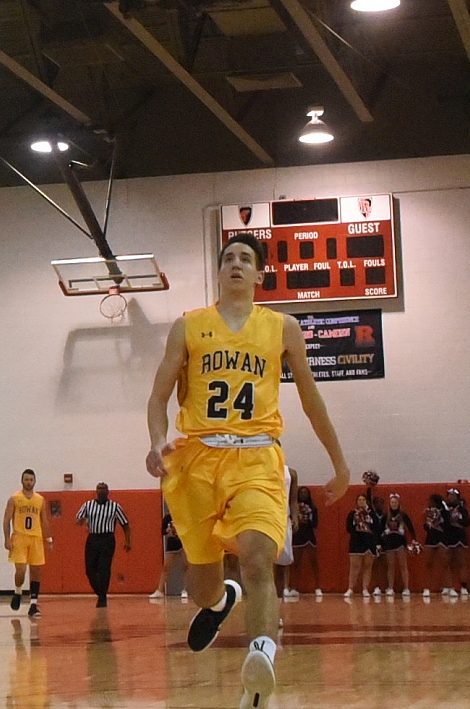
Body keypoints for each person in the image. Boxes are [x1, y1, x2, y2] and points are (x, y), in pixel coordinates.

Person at [145, 233, 350, 709]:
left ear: (260, 274)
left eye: (245, 259)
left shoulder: (281, 327)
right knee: (201, 587)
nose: (236, 264)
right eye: (228, 258)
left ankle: (261, 661)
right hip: (196, 461)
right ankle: (219, 602)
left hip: (257, 456)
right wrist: (157, 442)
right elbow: (157, 398)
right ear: (218, 273)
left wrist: (339, 462)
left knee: (258, 556)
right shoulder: (188, 326)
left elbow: (311, 399)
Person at [74, 483, 130, 607]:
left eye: (103, 489)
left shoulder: (115, 507)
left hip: (107, 539)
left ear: (108, 491)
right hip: (93, 538)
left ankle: (102, 598)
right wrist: (81, 520)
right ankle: (100, 593)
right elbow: (78, 520)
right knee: (89, 569)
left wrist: (127, 541)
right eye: (99, 489)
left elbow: (125, 524)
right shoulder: (88, 505)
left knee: (104, 569)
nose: (101, 492)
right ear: (96, 491)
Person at [4, 469, 49, 617]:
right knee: (21, 571)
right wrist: (6, 539)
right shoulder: (14, 498)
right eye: (26, 479)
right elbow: (6, 520)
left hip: (36, 538)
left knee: (36, 572)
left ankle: (33, 605)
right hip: (20, 537)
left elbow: (45, 520)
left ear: (34, 481)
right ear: (22, 481)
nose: (29, 482)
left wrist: (48, 539)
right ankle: (17, 592)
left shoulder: (40, 500)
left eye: (31, 479)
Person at [441, 487, 470, 597]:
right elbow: (441, 523)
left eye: (453, 496)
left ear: (457, 498)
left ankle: (464, 587)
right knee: (446, 563)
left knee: (461, 563)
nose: (451, 498)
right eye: (449, 495)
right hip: (447, 537)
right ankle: (448, 586)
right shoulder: (444, 509)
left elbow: (467, 522)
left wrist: (457, 520)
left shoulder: (462, 509)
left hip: (459, 537)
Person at [288, 487, 320, 600]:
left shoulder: (313, 508)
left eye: (305, 493)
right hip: (298, 536)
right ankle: (293, 588)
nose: (303, 494)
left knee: (314, 562)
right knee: (296, 563)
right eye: (301, 493)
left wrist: (307, 519)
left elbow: (316, 524)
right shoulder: (294, 507)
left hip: (309, 536)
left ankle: (318, 588)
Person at [343, 494, 378, 598]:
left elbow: (377, 526)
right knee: (355, 567)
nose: (361, 501)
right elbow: (348, 528)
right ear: (356, 502)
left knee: (368, 566)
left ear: (366, 501)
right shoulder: (352, 513)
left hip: (369, 542)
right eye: (359, 500)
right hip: (356, 542)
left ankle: (365, 589)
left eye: (363, 500)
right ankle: (350, 588)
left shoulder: (372, 514)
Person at [379, 493, 413, 598]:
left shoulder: (403, 515)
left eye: (395, 502)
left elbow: (411, 528)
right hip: (389, 544)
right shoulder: (385, 516)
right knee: (391, 566)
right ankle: (390, 588)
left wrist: (414, 540)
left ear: (399, 503)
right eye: (392, 502)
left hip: (400, 543)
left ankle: (406, 588)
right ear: (389, 504)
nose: (394, 504)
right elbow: (380, 530)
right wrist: (380, 543)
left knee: (403, 566)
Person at [420, 493, 448, 598]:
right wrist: (428, 524)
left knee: (445, 564)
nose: (429, 503)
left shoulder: (444, 512)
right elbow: (426, 527)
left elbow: (448, 525)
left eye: (431, 501)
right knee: (428, 564)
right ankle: (427, 588)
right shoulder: (428, 512)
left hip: (442, 539)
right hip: (430, 539)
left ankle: (448, 587)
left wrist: (438, 522)